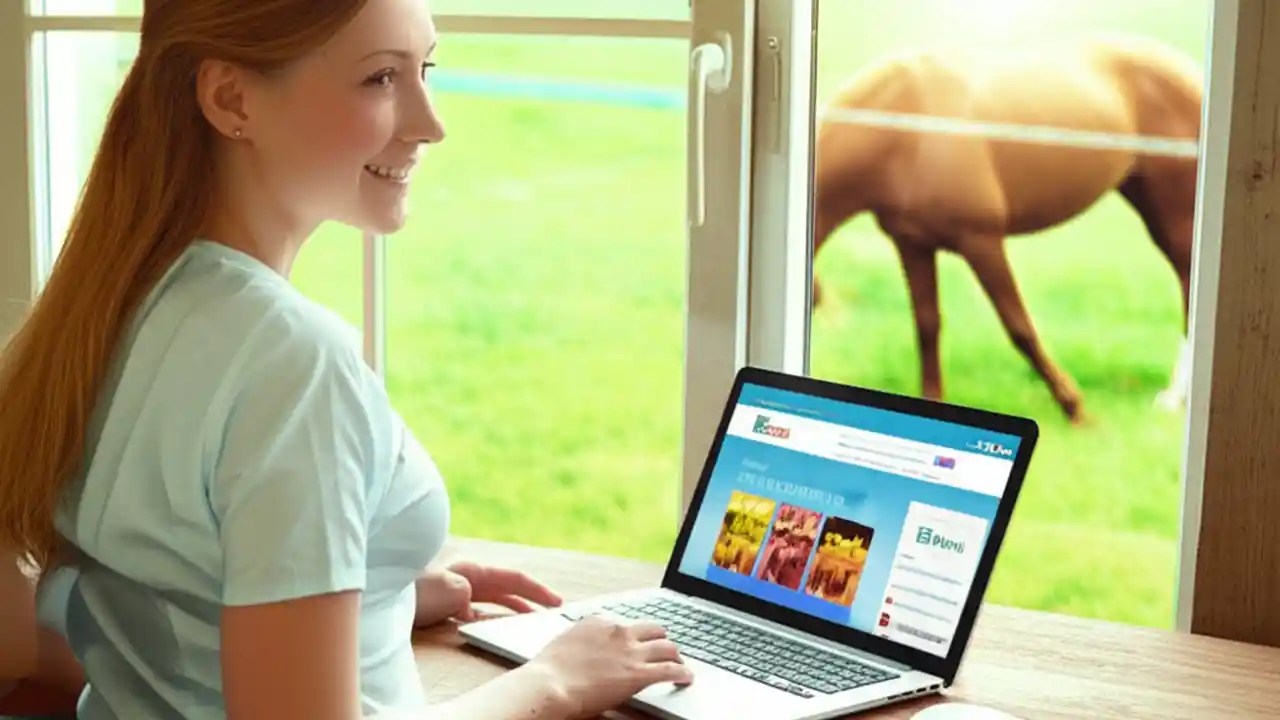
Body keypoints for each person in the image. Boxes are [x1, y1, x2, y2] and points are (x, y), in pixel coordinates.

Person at [0, 0, 692, 718]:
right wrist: (554, 680)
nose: (430, 123)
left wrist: (372, 589)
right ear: (231, 99)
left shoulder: (115, 306)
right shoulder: (291, 367)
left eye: (425, 69)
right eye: (381, 78)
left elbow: (169, 594)